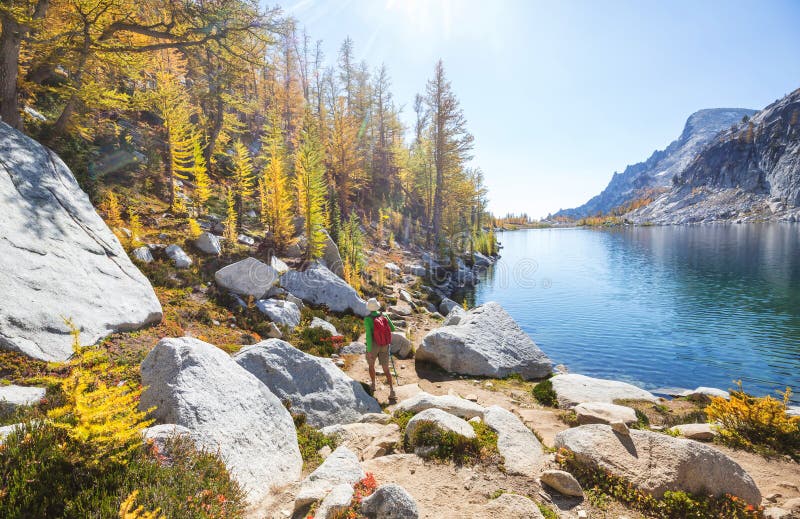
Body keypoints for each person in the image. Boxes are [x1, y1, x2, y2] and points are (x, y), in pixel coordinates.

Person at [364, 297, 396, 402]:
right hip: (384, 344)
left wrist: (369, 350)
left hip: (373, 345)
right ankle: (392, 390)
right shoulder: (384, 315)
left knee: (371, 365)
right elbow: (393, 328)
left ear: (369, 307)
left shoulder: (368, 319)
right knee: (386, 368)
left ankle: (373, 385)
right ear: (377, 306)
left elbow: (368, 335)